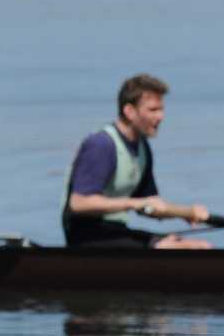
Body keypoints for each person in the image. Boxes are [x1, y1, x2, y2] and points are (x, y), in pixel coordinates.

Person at [61, 74, 212, 248]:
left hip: (115, 231)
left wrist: (185, 212)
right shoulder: (101, 145)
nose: (161, 116)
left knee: (201, 246)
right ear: (130, 112)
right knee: (185, 248)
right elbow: (79, 203)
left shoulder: (142, 147)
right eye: (153, 110)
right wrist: (135, 203)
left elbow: (152, 206)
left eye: (161, 109)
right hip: (85, 237)